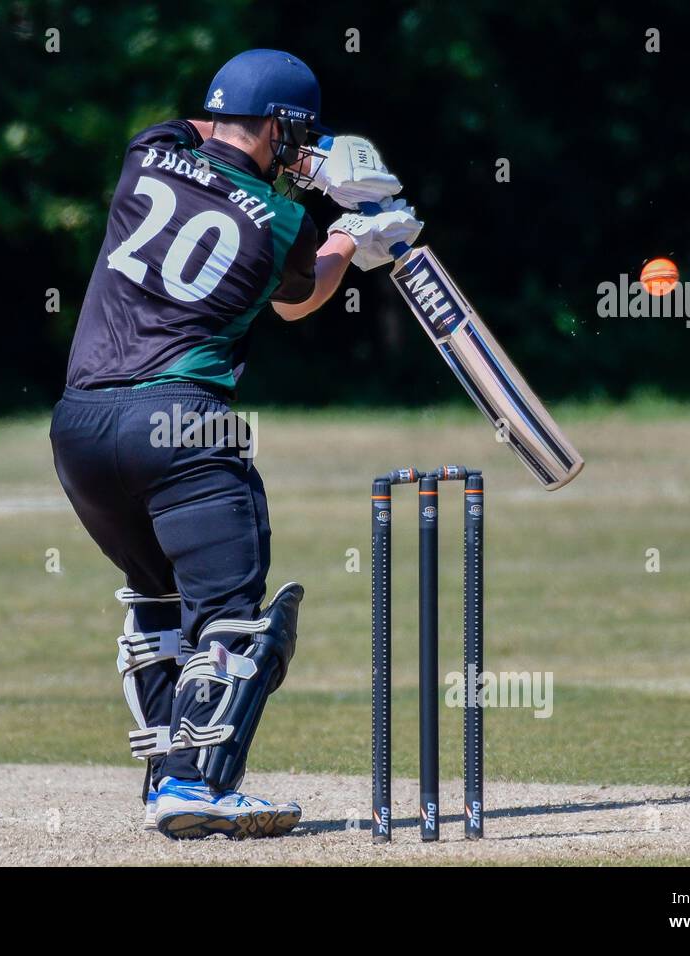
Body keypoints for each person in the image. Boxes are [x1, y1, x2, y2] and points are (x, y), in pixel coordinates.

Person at [50, 49, 421, 839]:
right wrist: (353, 233)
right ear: (283, 128)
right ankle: (194, 786)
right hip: (182, 424)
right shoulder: (284, 223)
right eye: (299, 136)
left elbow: (208, 131)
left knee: (157, 600)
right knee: (232, 620)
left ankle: (165, 778)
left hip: (79, 430)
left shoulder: (148, 152)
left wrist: (307, 165)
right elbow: (298, 301)